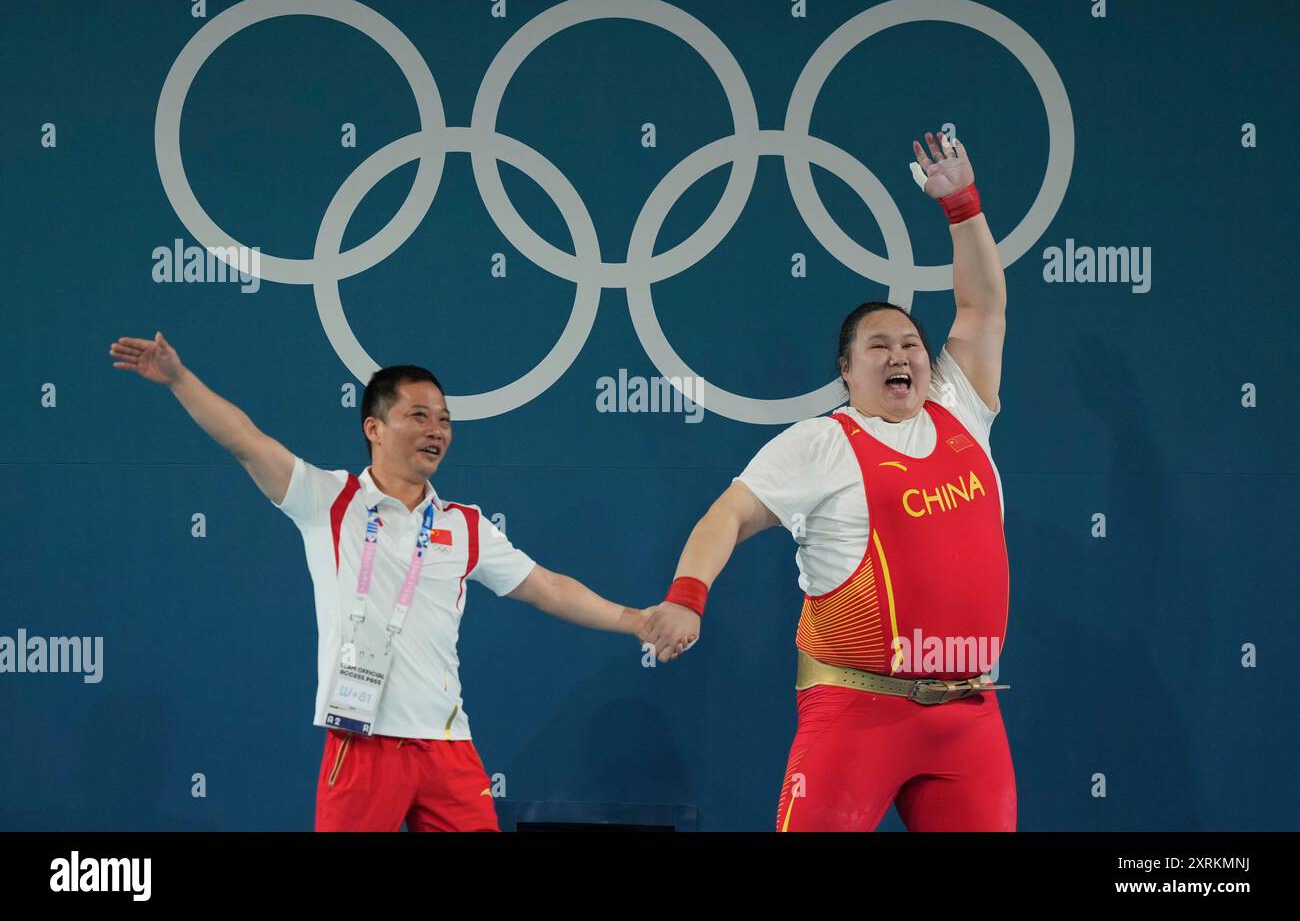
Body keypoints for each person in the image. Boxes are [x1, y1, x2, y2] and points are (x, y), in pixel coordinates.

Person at [109, 341, 685, 831]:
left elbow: (547, 587)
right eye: (419, 416)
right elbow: (246, 441)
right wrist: (180, 379)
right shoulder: (329, 501)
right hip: (362, 746)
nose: (437, 430)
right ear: (374, 428)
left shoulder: (465, 525)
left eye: (444, 419)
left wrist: (636, 619)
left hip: (447, 746)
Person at [642, 131, 1015, 831]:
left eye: (910, 344)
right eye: (879, 346)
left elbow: (983, 307)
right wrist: (687, 598)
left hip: (971, 716)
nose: (901, 354)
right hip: (858, 712)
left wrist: (962, 207)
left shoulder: (962, 407)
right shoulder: (822, 441)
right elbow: (725, 515)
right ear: (847, 371)